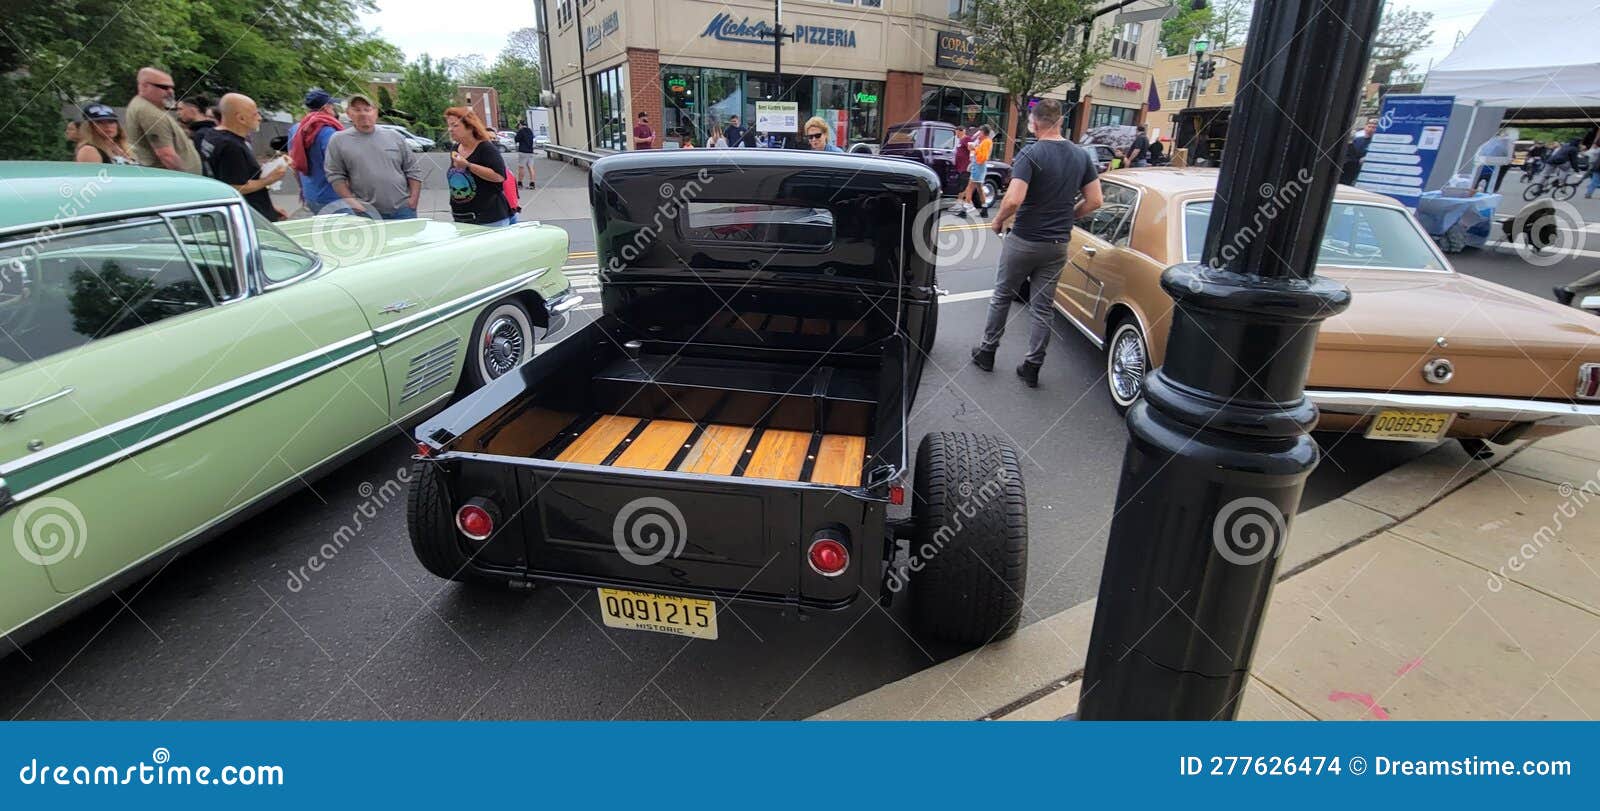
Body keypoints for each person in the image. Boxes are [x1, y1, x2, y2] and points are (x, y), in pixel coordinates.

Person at [973, 99, 1102, 388]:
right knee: (1042, 306)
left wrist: (997, 221)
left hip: (1025, 239)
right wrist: (1069, 215)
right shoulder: (1080, 156)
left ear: (1036, 122)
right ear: (1058, 121)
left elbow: (1015, 198)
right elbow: (1095, 199)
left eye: (1030, 121)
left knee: (1002, 296)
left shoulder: (1030, 154)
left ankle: (987, 352)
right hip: (1057, 244)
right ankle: (1032, 366)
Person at [324, 92, 424, 220]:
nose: (363, 113)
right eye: (357, 110)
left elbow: (413, 170)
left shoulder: (395, 137)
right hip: (367, 213)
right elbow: (335, 175)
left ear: (375, 113)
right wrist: (353, 203)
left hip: (403, 210)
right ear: (349, 113)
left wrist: (413, 200)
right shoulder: (338, 140)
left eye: (367, 109)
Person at [201, 93, 288, 221]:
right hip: (245, 217)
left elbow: (233, 173)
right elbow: (236, 187)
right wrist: (270, 179)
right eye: (255, 114)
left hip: (238, 210)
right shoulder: (231, 146)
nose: (259, 118)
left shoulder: (212, 135)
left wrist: (269, 207)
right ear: (241, 118)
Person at [443, 106, 512, 227]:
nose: (450, 129)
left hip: (489, 220)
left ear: (470, 127)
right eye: (449, 125)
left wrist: (468, 165)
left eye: (455, 125)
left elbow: (500, 176)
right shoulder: (455, 149)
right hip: (461, 219)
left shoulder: (486, 148)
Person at [124, 67, 202, 173]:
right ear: (144, 86)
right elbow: (166, 155)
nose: (170, 91)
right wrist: (187, 179)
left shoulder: (147, 107)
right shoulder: (149, 113)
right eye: (163, 87)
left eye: (171, 87)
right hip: (176, 182)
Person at [288, 88, 344, 212]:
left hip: (310, 194)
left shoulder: (296, 129)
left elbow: (294, 165)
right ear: (326, 108)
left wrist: (303, 188)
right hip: (332, 197)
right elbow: (340, 167)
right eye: (332, 106)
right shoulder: (328, 132)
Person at [964, 126, 994, 215]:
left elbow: (983, 157)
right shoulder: (984, 142)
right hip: (978, 166)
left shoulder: (986, 142)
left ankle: (965, 209)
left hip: (979, 166)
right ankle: (984, 209)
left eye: (980, 132)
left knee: (970, 188)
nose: (979, 134)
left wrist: (974, 149)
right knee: (979, 189)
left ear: (984, 133)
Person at [1340, 118, 1377, 185]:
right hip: (1350, 168)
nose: (1370, 129)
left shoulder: (1376, 142)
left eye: (1374, 127)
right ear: (1365, 127)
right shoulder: (1357, 139)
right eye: (1369, 126)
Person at [952, 126, 974, 211]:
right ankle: (970, 204)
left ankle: (959, 204)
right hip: (960, 167)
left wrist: (971, 161)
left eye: (956, 132)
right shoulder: (960, 141)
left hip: (966, 167)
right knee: (963, 185)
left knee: (963, 185)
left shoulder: (967, 139)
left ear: (961, 131)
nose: (956, 134)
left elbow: (972, 149)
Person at [513, 121, 537, 189]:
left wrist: (518, 132)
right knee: (530, 167)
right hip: (530, 151)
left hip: (523, 152)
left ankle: (520, 183)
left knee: (521, 167)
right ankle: (532, 183)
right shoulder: (530, 131)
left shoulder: (521, 131)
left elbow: (516, 139)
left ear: (520, 125)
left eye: (519, 125)